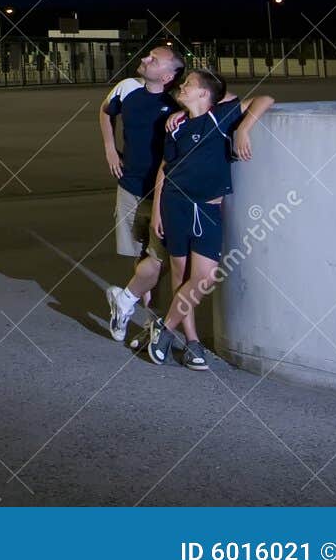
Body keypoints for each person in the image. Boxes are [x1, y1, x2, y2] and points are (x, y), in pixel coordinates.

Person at [144, 70, 274, 370]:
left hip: (207, 209)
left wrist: (243, 130)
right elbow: (165, 169)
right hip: (175, 205)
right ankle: (192, 342)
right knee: (180, 275)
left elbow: (264, 98)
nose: (182, 86)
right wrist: (156, 213)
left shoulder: (221, 116)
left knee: (204, 277)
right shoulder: (175, 127)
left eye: (188, 84)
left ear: (203, 94)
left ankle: (164, 329)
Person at [99, 42, 184, 340]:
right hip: (129, 185)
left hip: (161, 193)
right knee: (140, 257)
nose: (146, 58)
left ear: (167, 76)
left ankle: (131, 305)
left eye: (155, 59)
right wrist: (110, 148)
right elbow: (105, 111)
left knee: (156, 260)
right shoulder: (127, 88)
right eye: (149, 55)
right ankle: (141, 315)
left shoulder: (179, 106)